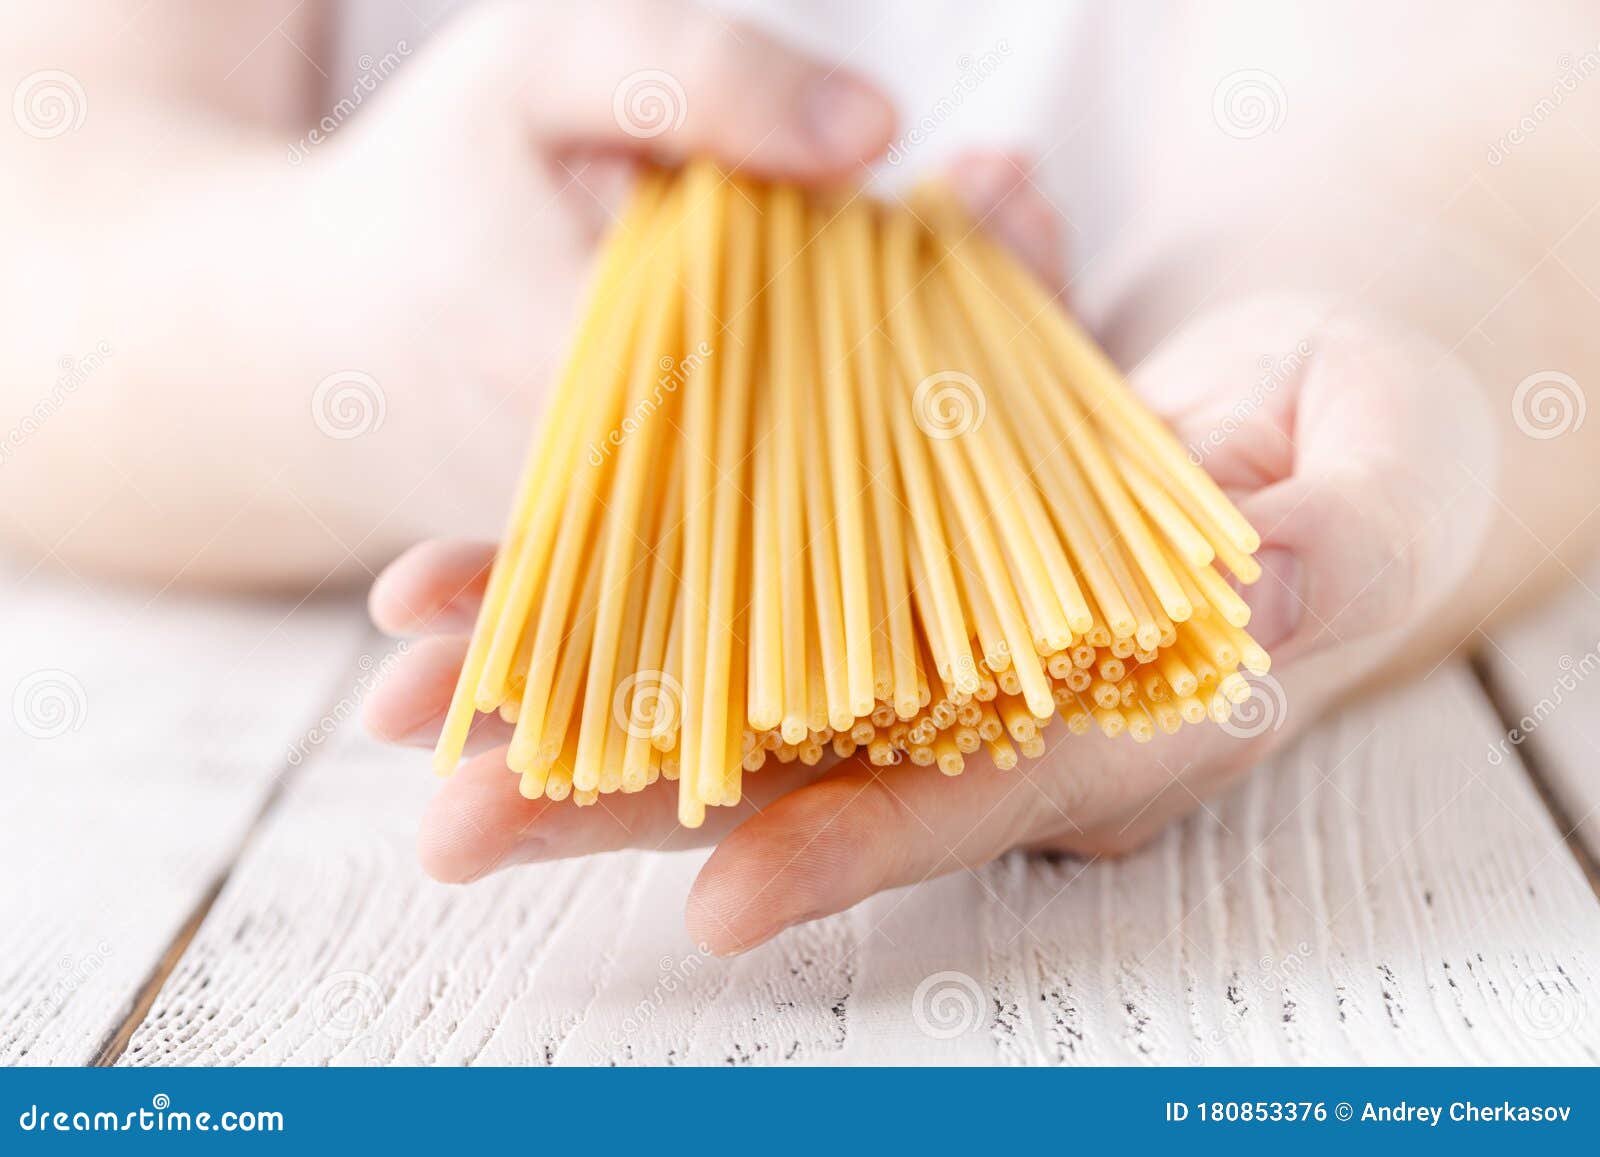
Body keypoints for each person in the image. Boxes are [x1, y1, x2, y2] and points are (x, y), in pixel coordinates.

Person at [7, 1, 1599, 954]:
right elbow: (45, 202)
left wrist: (1377, 320)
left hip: (1122, 428)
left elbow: (1495, 94)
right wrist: (332, 335)